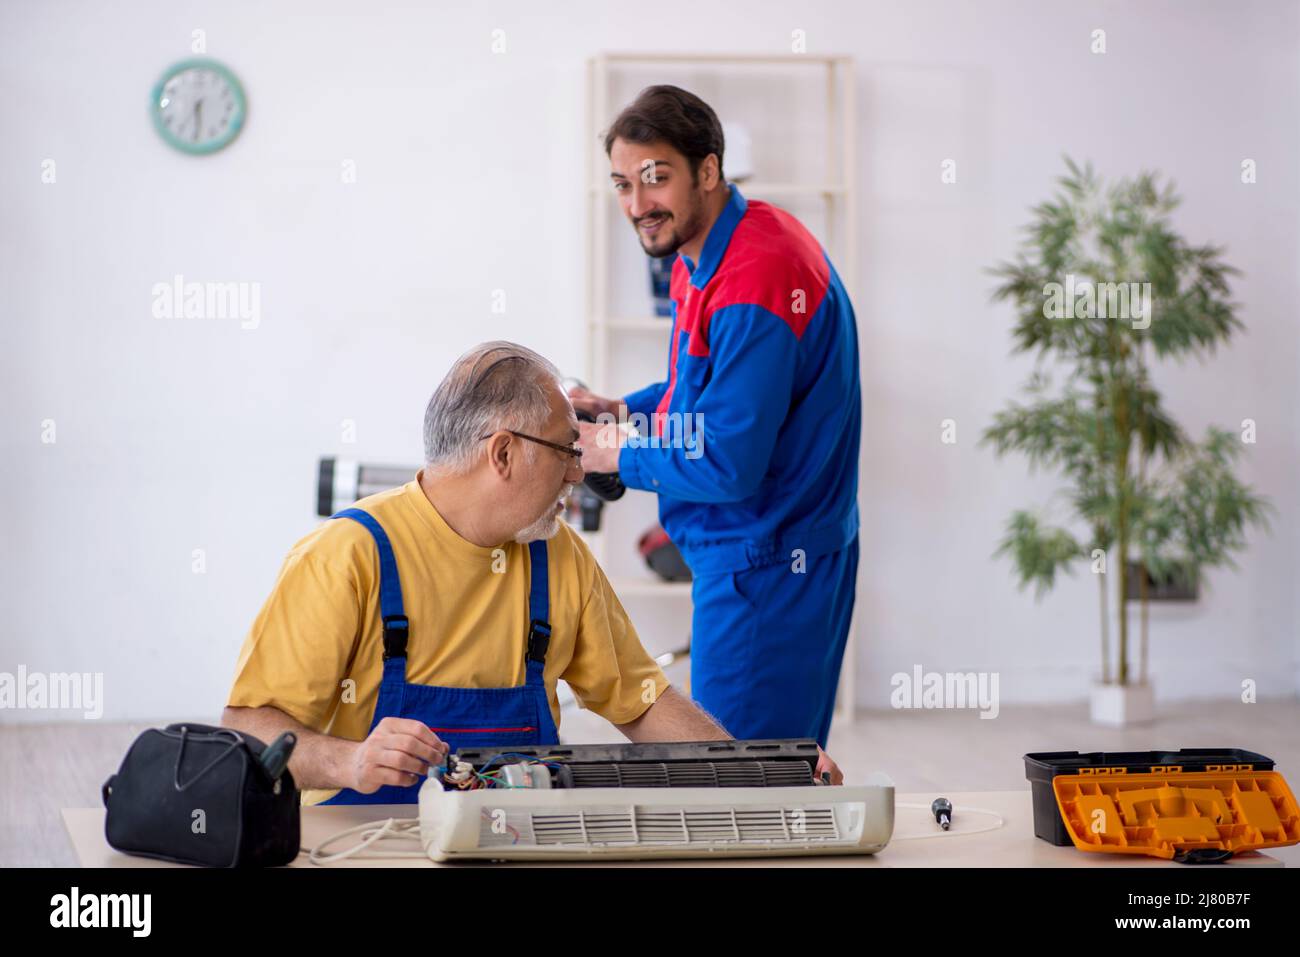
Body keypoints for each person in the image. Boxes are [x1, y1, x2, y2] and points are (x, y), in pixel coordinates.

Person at [224, 340, 843, 804]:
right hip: (367, 842)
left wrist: (763, 772)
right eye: (567, 452)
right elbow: (250, 732)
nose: (580, 474)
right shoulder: (346, 557)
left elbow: (643, 702)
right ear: (503, 453)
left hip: (518, 838)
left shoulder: (560, 557)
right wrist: (350, 762)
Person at [573, 85, 861, 750]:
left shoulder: (758, 273)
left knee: (737, 779)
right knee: (765, 774)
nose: (637, 205)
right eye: (622, 184)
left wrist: (613, 452)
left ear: (708, 170)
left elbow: (727, 460)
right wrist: (621, 410)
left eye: (655, 178)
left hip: (766, 560)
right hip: (753, 553)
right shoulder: (702, 252)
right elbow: (696, 393)